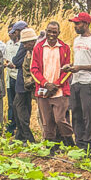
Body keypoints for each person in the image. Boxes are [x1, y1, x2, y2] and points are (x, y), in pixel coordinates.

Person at [65, 12, 91, 152]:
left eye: (78, 23)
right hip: (75, 81)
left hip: (88, 83)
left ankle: (89, 145)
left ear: (86, 24)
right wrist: (71, 66)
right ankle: (79, 143)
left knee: (88, 115)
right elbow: (80, 60)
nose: (75, 26)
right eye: (75, 23)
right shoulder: (77, 40)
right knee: (76, 114)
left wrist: (80, 68)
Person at [31, 22, 74, 151]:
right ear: (46, 31)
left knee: (60, 119)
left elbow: (68, 70)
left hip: (59, 91)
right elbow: (34, 69)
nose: (51, 34)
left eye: (54, 32)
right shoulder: (38, 48)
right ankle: (52, 148)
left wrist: (56, 85)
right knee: (47, 121)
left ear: (58, 33)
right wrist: (45, 83)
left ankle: (69, 141)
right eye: (49, 31)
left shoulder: (65, 48)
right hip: (44, 90)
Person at [10, 28, 38, 143]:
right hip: (24, 83)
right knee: (18, 108)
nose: (24, 45)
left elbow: (16, 62)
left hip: (30, 84)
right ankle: (21, 135)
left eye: (26, 43)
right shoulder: (28, 51)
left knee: (21, 110)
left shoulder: (36, 50)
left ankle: (28, 137)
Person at [4, 22, 27, 135]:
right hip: (11, 77)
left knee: (20, 106)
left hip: (22, 78)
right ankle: (13, 129)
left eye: (14, 32)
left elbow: (17, 61)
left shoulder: (24, 44)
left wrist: (14, 63)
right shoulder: (8, 44)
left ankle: (23, 132)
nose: (12, 34)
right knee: (12, 104)